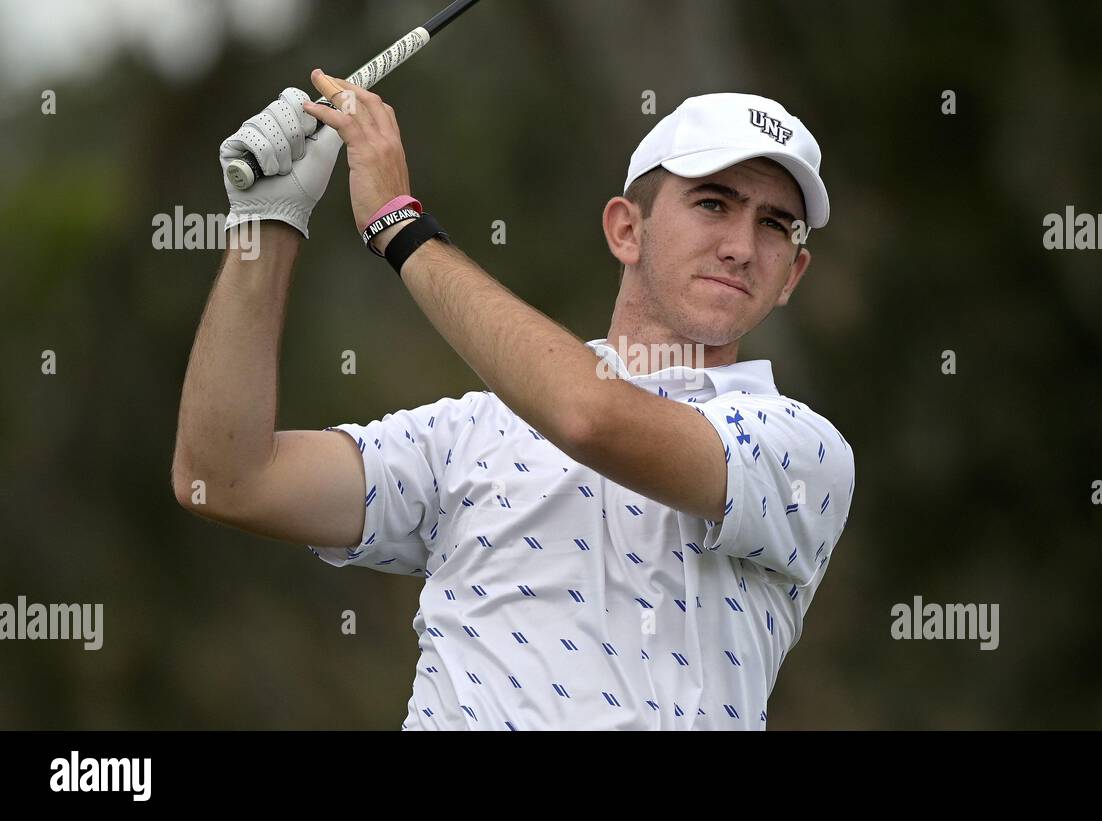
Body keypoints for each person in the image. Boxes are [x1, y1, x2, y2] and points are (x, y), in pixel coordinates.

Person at [173, 70, 855, 730]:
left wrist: (399, 225)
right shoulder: (472, 431)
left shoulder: (800, 450)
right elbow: (225, 479)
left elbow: (590, 417)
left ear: (793, 272)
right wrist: (267, 223)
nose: (741, 247)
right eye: (713, 203)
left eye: (775, 225)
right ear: (626, 230)